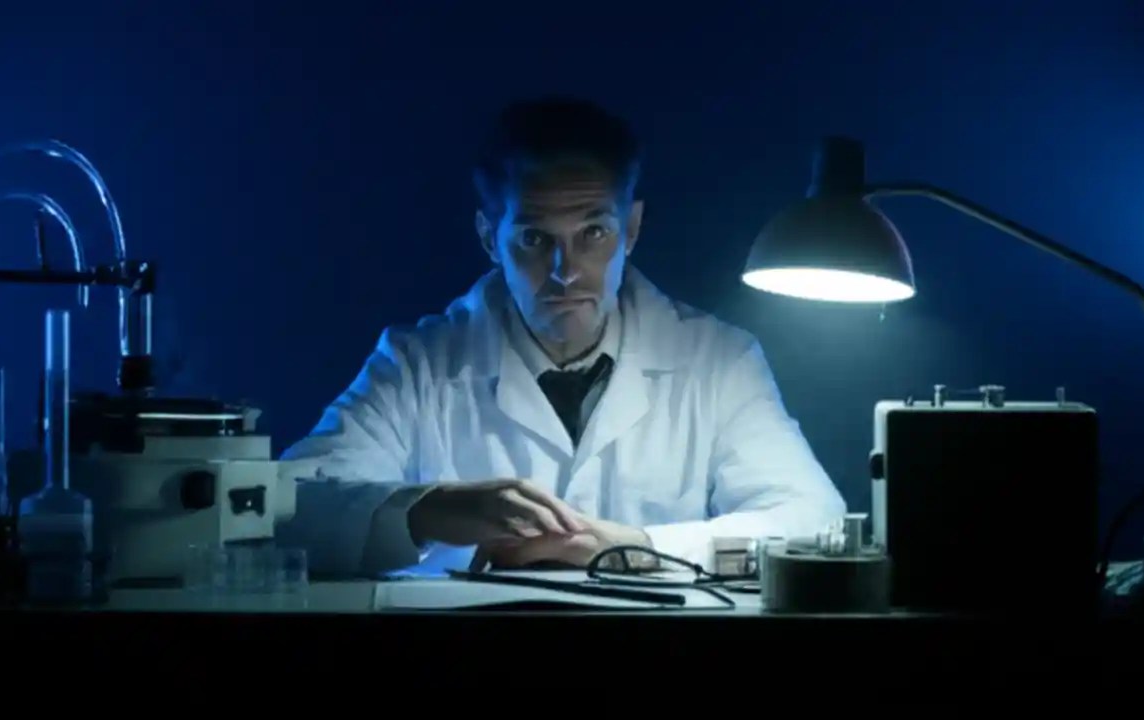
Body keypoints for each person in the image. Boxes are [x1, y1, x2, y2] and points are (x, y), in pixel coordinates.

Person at [278, 97, 846, 577]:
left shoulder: (719, 360)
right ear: (487, 237)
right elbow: (282, 510)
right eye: (532, 238)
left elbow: (814, 519)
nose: (564, 271)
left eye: (593, 232)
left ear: (632, 229)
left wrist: (634, 547)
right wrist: (426, 511)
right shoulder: (417, 363)